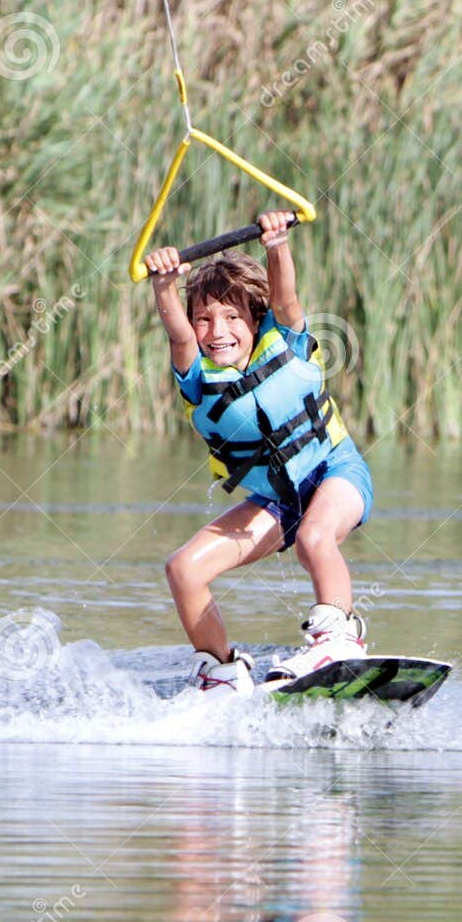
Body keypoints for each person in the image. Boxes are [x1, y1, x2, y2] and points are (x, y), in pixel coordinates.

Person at [147, 211, 375, 695]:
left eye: (231, 317)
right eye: (204, 318)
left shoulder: (287, 339)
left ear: (255, 319)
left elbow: (285, 297)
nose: (217, 330)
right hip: (276, 503)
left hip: (336, 472)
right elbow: (177, 335)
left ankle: (339, 638)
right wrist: (165, 286)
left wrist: (276, 245)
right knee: (183, 569)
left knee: (316, 537)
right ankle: (221, 672)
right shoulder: (197, 377)